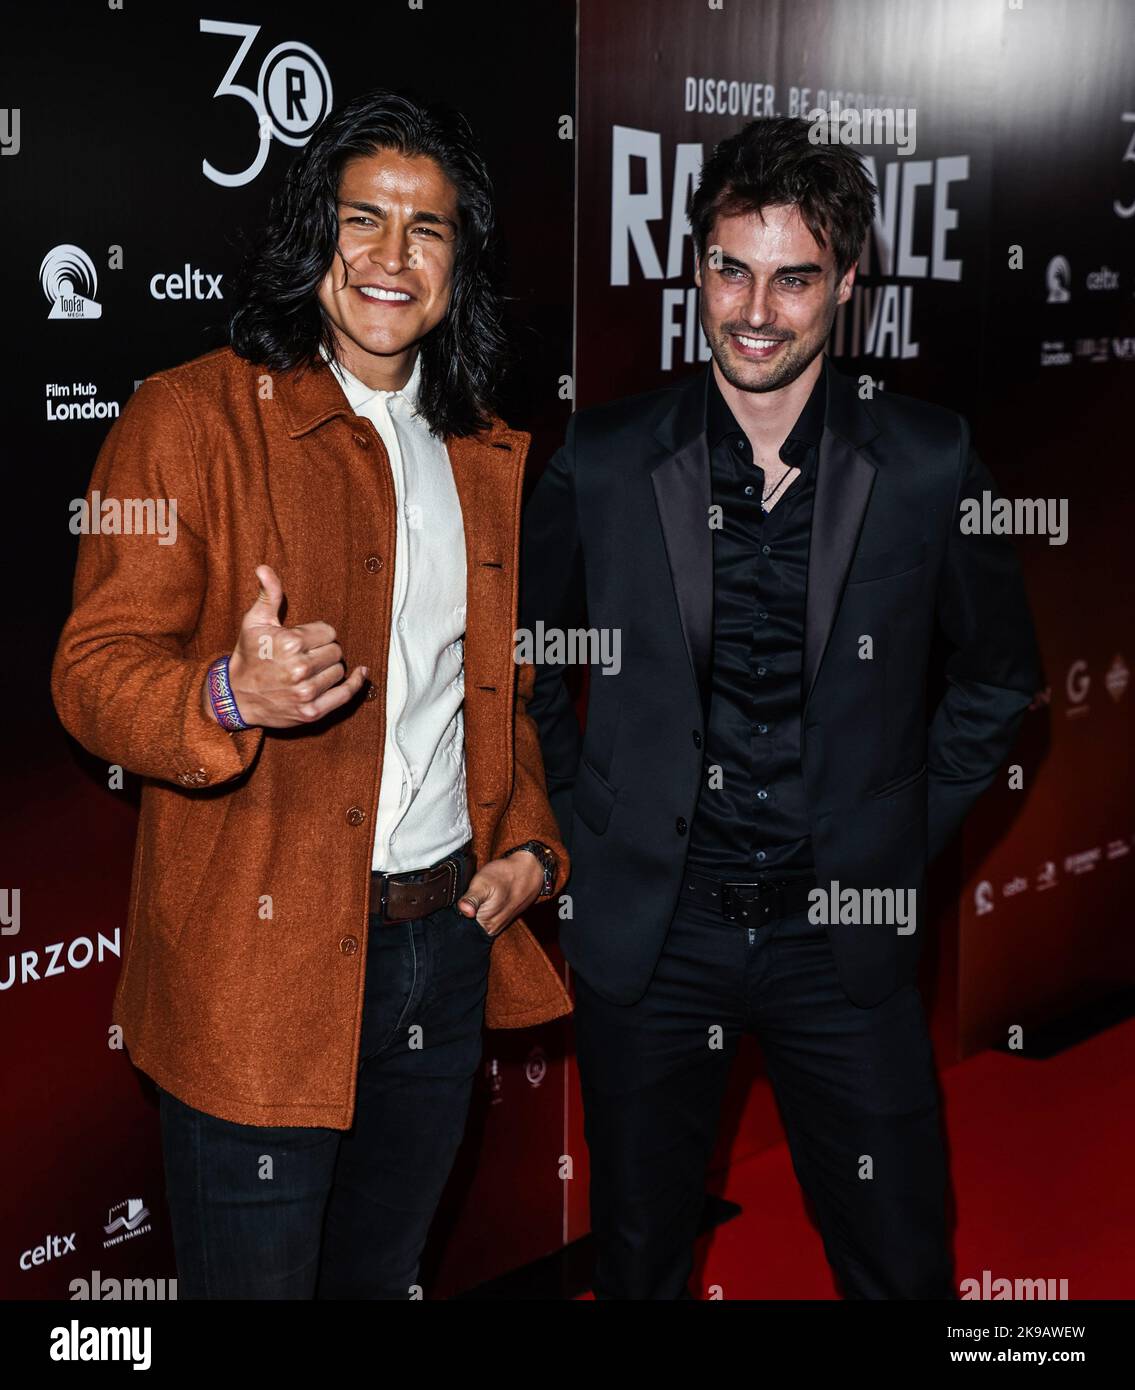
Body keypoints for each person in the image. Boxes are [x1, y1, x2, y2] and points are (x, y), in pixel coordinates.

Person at [51, 89, 568, 1300]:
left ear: (459, 262)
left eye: (427, 230)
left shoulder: (482, 449)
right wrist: (229, 694)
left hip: (443, 951)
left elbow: (498, 688)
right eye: (362, 220)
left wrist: (530, 844)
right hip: (258, 973)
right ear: (310, 235)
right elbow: (90, 672)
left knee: (383, 1276)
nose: (392, 258)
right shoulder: (189, 417)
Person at [521, 116, 1043, 1300]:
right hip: (656, 936)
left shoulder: (925, 460)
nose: (755, 309)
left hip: (837, 933)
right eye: (730, 267)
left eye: (794, 276)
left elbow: (999, 674)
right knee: (640, 1258)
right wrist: (583, 830)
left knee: (899, 1261)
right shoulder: (601, 458)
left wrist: (893, 835)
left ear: (847, 284)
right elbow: (527, 658)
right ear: (696, 266)